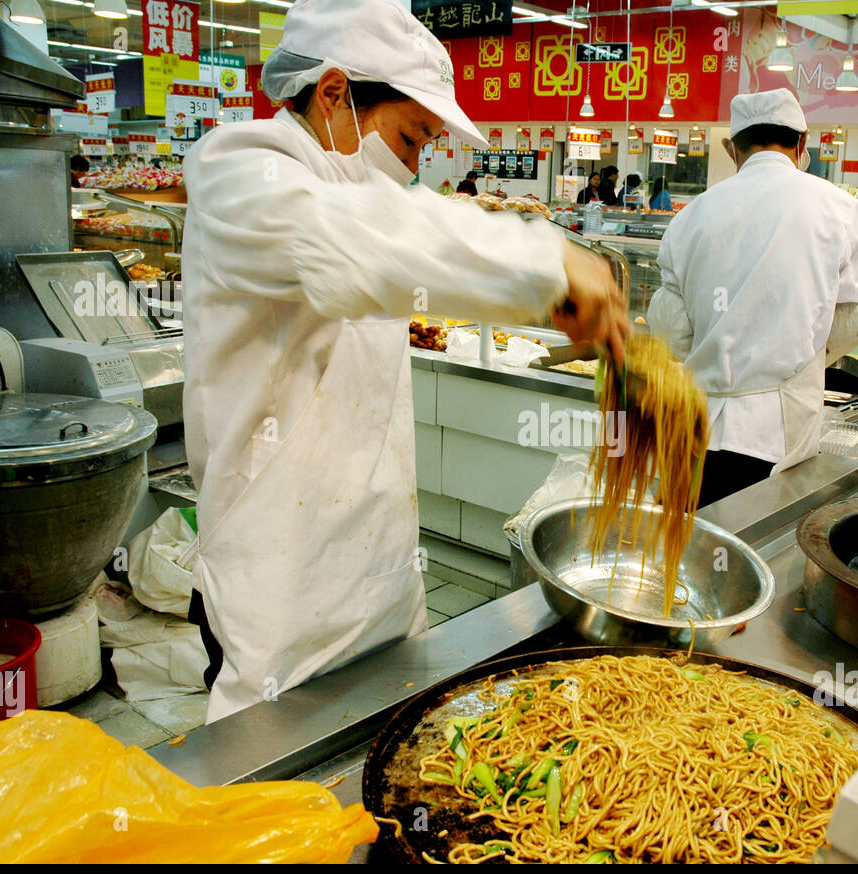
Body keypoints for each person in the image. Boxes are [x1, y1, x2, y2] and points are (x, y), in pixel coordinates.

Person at [181, 0, 628, 723]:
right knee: (278, 786)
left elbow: (396, 242)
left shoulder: (352, 189)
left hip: (377, 572)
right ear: (333, 94)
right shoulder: (243, 173)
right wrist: (546, 263)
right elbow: (354, 242)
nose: (416, 166)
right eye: (413, 139)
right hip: (279, 593)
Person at [647, 89, 858, 508]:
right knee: (761, 553)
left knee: (689, 551)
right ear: (802, 144)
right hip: (777, 435)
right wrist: (791, 353)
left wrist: (721, 352)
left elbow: (672, 332)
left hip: (694, 430)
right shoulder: (837, 207)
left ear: (732, 148)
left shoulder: (690, 215)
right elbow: (847, 324)